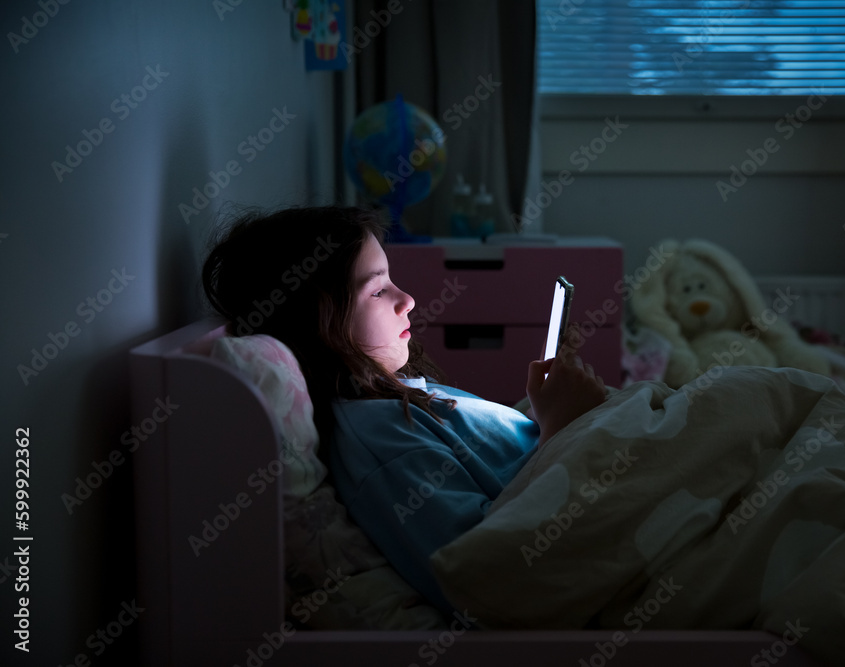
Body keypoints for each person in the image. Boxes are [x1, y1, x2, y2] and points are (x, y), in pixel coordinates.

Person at [201, 204, 607, 613]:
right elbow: (494, 570)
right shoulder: (379, 437)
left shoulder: (393, 395)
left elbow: (499, 463)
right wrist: (562, 430)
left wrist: (544, 413)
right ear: (317, 322)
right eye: (378, 290)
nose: (408, 300)